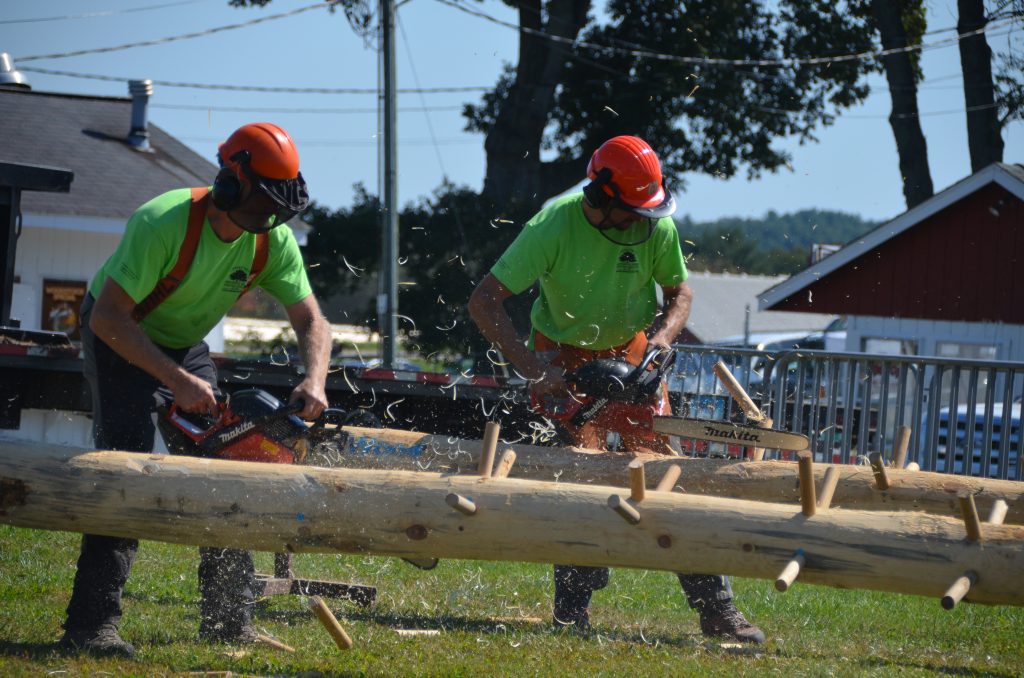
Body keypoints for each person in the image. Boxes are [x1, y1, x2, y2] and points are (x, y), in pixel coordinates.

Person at [468, 135, 765, 644]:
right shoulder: (552, 224)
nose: (641, 222)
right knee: (578, 473)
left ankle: (717, 608)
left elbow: (679, 291)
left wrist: (661, 343)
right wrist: (533, 368)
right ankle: (572, 608)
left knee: (667, 473)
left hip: (632, 351)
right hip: (562, 354)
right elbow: (484, 301)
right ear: (602, 197)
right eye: (631, 212)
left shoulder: (656, 224)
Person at [58, 122, 332, 658]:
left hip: (183, 342)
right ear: (230, 181)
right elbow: (109, 319)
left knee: (229, 463)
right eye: (261, 205)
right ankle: (91, 626)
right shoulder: (162, 222)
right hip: (120, 334)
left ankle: (229, 619)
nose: (267, 222)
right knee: (126, 466)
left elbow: (311, 319)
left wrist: (314, 378)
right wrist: (176, 381)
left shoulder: (269, 240)